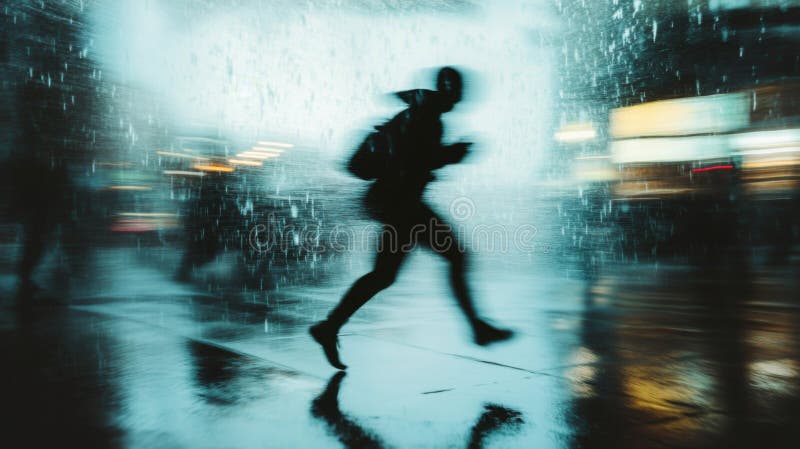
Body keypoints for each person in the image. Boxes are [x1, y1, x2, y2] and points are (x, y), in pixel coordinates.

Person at [310, 67, 513, 370]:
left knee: (384, 275)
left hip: (397, 203)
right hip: (402, 204)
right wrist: (450, 155)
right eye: (458, 90)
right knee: (454, 256)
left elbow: (412, 157)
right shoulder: (425, 115)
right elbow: (414, 160)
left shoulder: (421, 112)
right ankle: (477, 328)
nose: (460, 97)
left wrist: (444, 156)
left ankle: (330, 326)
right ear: (449, 89)